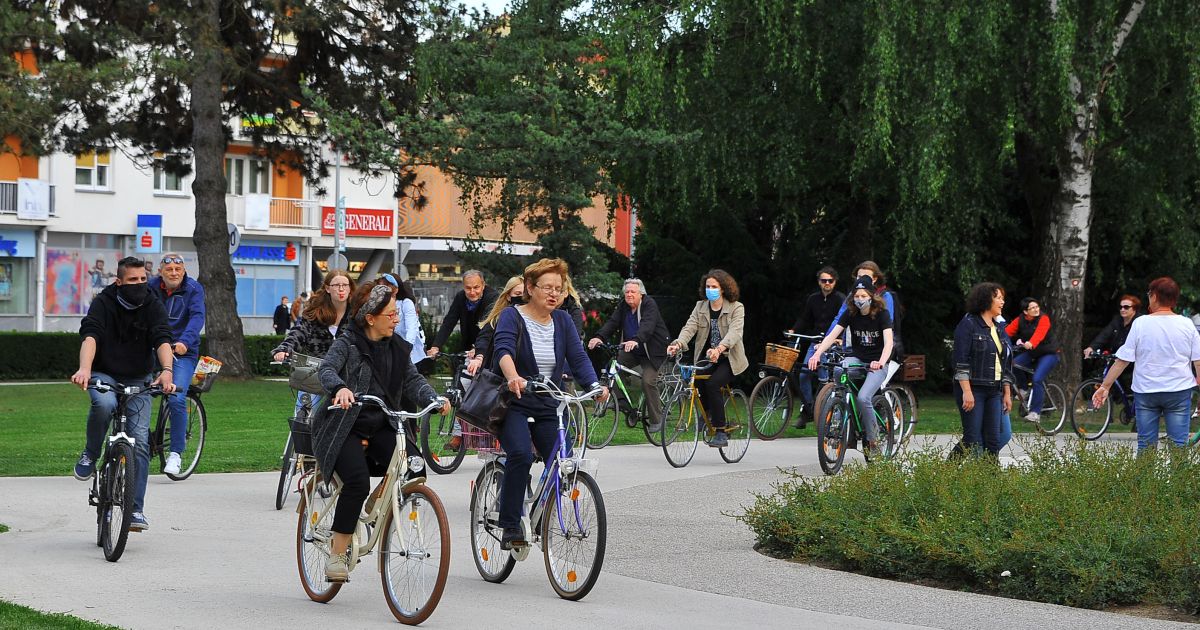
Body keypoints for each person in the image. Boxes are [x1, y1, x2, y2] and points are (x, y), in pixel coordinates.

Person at [309, 280, 450, 582]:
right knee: (356, 482)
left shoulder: (398, 348)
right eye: (391, 314)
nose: (396, 319)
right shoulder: (347, 343)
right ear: (371, 317)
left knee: (414, 467)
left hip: (381, 423)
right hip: (342, 424)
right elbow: (327, 370)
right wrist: (341, 388)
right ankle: (337, 554)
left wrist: (433, 399)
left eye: (397, 313)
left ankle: (379, 498)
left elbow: (413, 381)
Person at [493, 258, 608, 550]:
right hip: (515, 401)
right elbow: (503, 350)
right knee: (519, 454)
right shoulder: (512, 316)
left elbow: (578, 357)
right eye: (547, 287)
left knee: (564, 461)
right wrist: (513, 377)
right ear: (530, 288)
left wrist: (594, 386)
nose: (554, 293)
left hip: (549, 403)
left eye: (559, 288)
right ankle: (509, 524)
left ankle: (542, 514)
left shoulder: (563, 320)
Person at [70, 256, 177, 532]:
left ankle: (135, 510)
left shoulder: (152, 302)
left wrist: (166, 370)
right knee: (103, 405)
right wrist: (85, 369)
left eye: (143, 279)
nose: (139, 284)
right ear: (119, 282)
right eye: (133, 280)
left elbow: (162, 338)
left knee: (140, 441)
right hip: (105, 373)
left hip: (139, 377)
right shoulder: (104, 302)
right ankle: (91, 454)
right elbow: (90, 335)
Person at [1092, 277, 1200, 453]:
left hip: (1146, 391)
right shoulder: (1187, 324)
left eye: (1149, 294)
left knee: (1146, 446)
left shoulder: (1140, 323)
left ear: (1155, 296)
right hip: (1179, 391)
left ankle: (1145, 480)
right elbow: (1198, 361)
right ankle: (1179, 481)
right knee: (1179, 446)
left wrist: (1105, 386)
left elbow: (1123, 360)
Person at [806, 275, 895, 453]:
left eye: (863, 296)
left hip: (878, 363)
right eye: (856, 296)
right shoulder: (850, 313)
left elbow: (889, 343)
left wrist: (881, 362)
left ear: (871, 296)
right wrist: (816, 354)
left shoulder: (882, 314)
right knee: (839, 369)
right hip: (858, 359)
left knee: (864, 398)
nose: (860, 299)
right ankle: (841, 406)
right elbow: (831, 336)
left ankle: (874, 440)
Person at [666, 269, 749, 449]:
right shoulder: (700, 307)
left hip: (729, 357)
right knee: (695, 382)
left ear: (723, 289)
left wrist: (720, 348)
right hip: (708, 356)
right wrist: (678, 344)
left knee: (712, 384)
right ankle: (708, 416)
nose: (710, 289)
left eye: (714, 287)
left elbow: (735, 332)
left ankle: (720, 431)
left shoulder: (736, 307)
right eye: (708, 286)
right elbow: (690, 327)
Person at [148, 252, 207, 477]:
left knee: (176, 396)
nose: (174, 273)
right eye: (169, 269)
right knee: (135, 391)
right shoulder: (151, 287)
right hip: (153, 349)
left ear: (183, 271)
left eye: (178, 270)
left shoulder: (193, 289)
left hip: (181, 352)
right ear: (160, 272)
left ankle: (176, 454)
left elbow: (197, 317)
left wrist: (184, 342)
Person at [588, 278, 671, 431]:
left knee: (648, 381)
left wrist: (636, 339)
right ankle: (621, 403)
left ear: (641, 294)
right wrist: (599, 337)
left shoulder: (649, 304)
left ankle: (657, 420)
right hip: (632, 349)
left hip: (652, 352)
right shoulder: (624, 306)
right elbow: (612, 322)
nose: (629, 295)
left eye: (633, 292)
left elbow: (648, 325)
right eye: (627, 292)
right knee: (613, 370)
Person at [950, 282, 1014, 457]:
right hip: (974, 388)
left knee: (993, 440)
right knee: (971, 438)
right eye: (998, 298)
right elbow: (960, 361)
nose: (1002, 302)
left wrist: (1007, 393)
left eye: (1003, 298)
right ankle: (945, 474)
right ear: (986, 299)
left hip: (995, 390)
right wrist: (967, 391)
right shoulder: (968, 324)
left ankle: (990, 481)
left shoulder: (999, 328)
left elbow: (1006, 364)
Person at [790, 266, 845, 422]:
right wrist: (793, 330)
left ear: (835, 282)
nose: (827, 283)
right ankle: (808, 408)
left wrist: (839, 339)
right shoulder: (813, 299)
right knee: (804, 374)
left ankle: (825, 409)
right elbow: (805, 318)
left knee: (825, 376)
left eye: (830, 280)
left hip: (833, 344)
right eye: (823, 280)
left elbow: (844, 321)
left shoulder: (841, 299)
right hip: (816, 341)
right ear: (819, 282)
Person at [272, 271, 354, 363]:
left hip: (351, 373)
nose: (341, 289)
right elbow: (299, 332)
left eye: (345, 285)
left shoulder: (357, 315)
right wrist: (285, 349)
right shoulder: (315, 313)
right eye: (336, 285)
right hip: (317, 371)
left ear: (350, 288)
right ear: (327, 288)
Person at [1005, 297, 1061, 423]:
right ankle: (1023, 389)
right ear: (1026, 312)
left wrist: (1031, 343)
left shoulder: (1044, 318)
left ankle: (1035, 413)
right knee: (1013, 364)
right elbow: (1006, 332)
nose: (1036, 310)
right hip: (1033, 353)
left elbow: (1039, 334)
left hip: (1049, 353)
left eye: (1037, 307)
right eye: (1033, 308)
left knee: (1037, 379)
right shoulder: (1020, 320)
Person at [426, 270, 498, 359]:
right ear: (463, 286)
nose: (472, 292)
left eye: (476, 287)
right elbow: (449, 322)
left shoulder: (493, 298)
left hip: (489, 347)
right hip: (468, 347)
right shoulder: (460, 297)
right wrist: (436, 346)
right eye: (468, 288)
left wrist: (478, 348)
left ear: (483, 285)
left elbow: (489, 327)